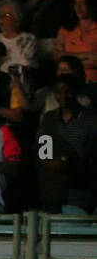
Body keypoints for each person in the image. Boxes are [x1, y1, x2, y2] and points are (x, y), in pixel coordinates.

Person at [36, 74, 97, 213]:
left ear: (76, 92)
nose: (63, 96)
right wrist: (55, 164)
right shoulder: (49, 119)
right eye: (58, 92)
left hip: (81, 191)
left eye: (67, 91)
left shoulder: (90, 119)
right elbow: (42, 153)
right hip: (53, 192)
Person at [53, 0, 97, 87]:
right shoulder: (66, 30)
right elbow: (57, 57)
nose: (78, 7)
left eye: (83, 3)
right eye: (76, 3)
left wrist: (68, 56)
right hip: (68, 84)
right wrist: (87, 57)